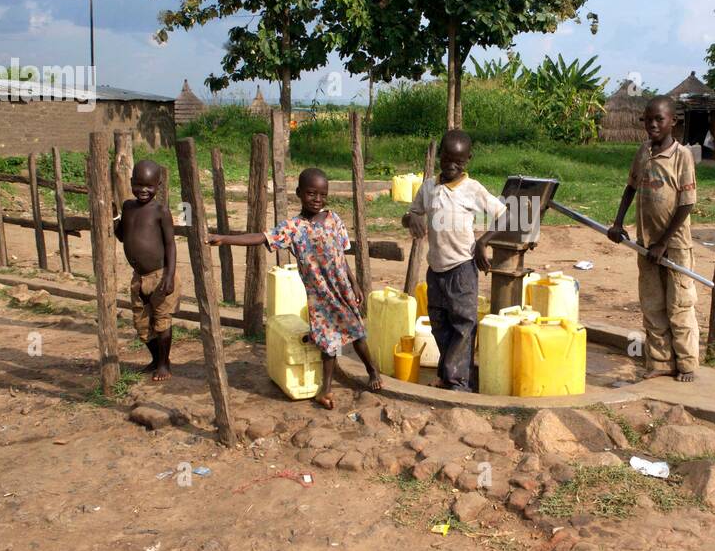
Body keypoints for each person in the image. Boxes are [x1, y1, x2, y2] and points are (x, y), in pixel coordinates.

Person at [209, 167, 380, 409]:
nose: (317, 199)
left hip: (342, 290)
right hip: (319, 297)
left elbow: (341, 255)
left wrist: (354, 283)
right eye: (311, 194)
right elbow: (261, 238)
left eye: (322, 194)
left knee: (358, 333)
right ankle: (326, 390)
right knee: (328, 343)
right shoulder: (293, 228)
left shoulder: (334, 219)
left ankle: (372, 371)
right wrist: (225, 239)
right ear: (299, 193)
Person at [401, 129, 505, 391]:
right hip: (436, 269)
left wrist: (483, 241)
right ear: (440, 157)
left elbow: (504, 215)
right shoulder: (429, 187)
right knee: (439, 322)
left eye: (458, 161)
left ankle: (460, 383)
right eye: (446, 159)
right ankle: (448, 373)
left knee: (463, 325)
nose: (451, 165)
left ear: (468, 159)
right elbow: (411, 214)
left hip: (462, 268)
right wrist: (410, 218)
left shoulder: (472, 189)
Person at [607, 96, 701, 382]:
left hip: (674, 246)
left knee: (679, 306)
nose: (653, 125)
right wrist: (619, 222)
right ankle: (660, 362)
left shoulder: (682, 155)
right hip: (645, 243)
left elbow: (686, 204)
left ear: (673, 121)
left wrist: (664, 243)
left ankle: (686, 364)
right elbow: (631, 188)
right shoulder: (644, 151)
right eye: (648, 119)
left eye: (659, 119)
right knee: (652, 305)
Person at [114, 160, 179, 381]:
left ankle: (163, 364)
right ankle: (157, 359)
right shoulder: (127, 207)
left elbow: (170, 244)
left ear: (158, 186)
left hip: (160, 275)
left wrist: (169, 276)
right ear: (131, 182)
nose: (143, 190)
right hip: (138, 277)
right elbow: (123, 235)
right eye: (139, 185)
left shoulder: (161, 211)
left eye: (149, 186)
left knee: (161, 322)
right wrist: (115, 219)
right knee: (141, 323)